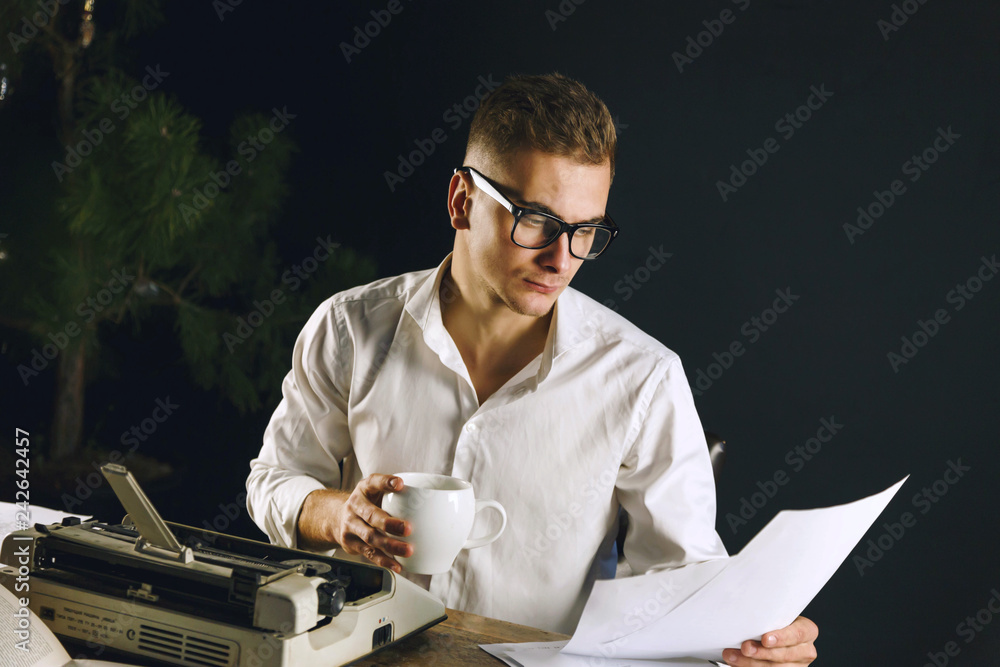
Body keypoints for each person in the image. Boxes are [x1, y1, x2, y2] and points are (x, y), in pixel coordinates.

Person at [246, 72, 818, 665]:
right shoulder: (349, 327)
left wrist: (754, 636)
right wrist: (337, 514)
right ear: (461, 201)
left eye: (584, 231)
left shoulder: (644, 377)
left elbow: (682, 574)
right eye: (536, 219)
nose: (560, 258)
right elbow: (273, 481)